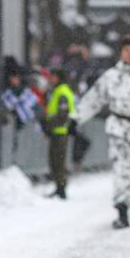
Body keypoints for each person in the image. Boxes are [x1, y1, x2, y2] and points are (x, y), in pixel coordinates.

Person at [74, 35, 130, 228]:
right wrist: (76, 118)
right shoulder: (111, 77)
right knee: (120, 170)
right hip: (119, 126)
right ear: (121, 53)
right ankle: (122, 211)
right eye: (126, 50)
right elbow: (94, 98)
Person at [44, 69, 77, 199]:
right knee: (56, 160)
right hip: (58, 131)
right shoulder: (59, 91)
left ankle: (61, 188)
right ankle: (59, 186)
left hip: (59, 132)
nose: (50, 79)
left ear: (58, 78)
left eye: (52, 76)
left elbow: (62, 114)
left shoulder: (61, 92)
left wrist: (50, 126)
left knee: (58, 161)